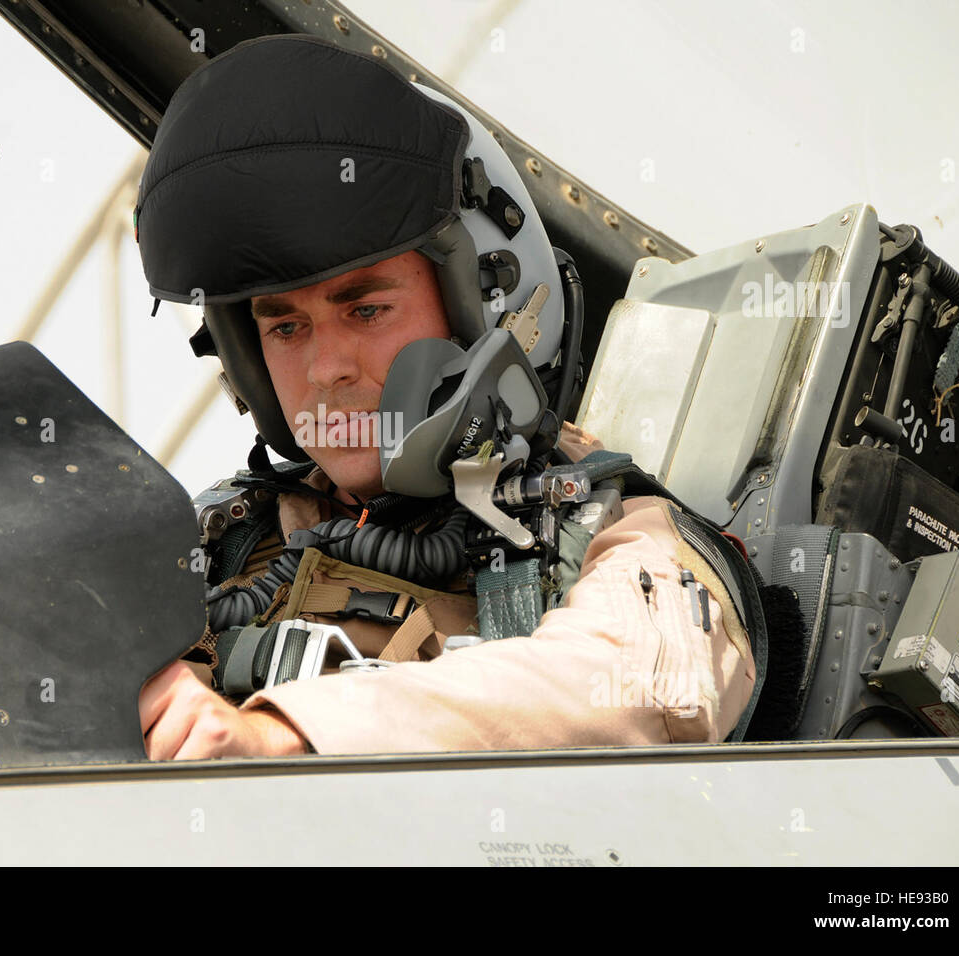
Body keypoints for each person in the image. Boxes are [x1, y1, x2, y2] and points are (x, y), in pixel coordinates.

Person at [133, 34, 758, 760]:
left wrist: (282, 738)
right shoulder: (219, 536)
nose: (325, 368)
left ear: (485, 304)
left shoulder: (613, 535)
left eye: (366, 310)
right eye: (285, 326)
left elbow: (634, 692)